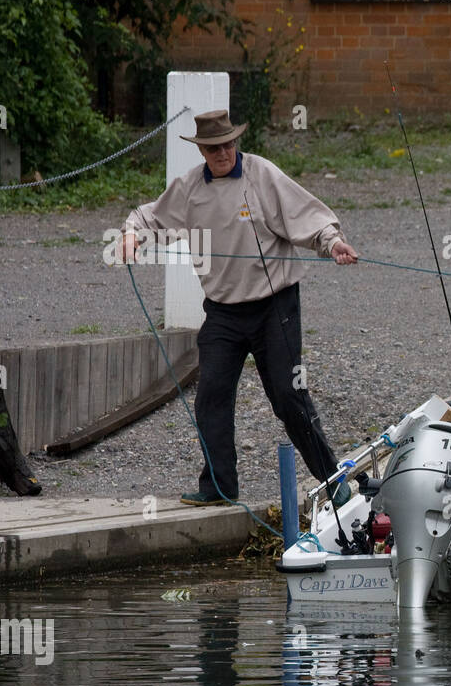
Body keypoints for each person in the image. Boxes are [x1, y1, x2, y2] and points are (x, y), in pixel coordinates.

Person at [119, 109, 359, 506]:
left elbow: (309, 218)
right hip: (224, 312)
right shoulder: (190, 188)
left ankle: (332, 477)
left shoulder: (263, 175)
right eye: (214, 148)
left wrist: (332, 244)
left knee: (287, 393)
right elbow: (148, 216)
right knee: (211, 394)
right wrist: (131, 235)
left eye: (228, 144)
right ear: (203, 151)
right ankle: (219, 486)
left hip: (275, 305)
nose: (223, 152)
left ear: (236, 142)